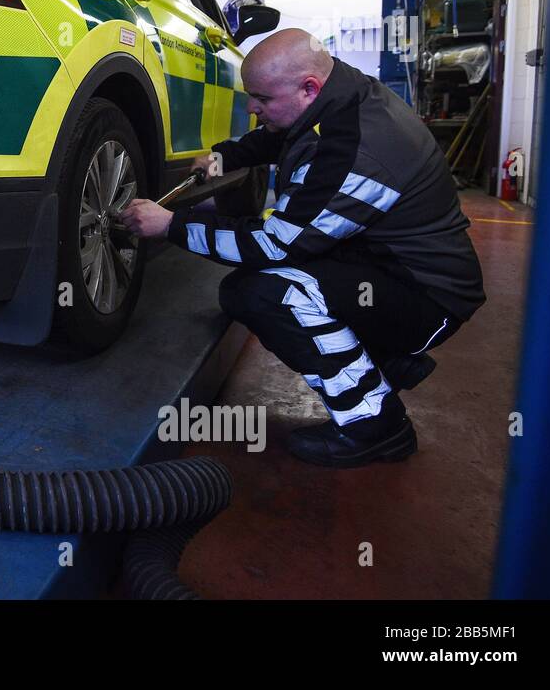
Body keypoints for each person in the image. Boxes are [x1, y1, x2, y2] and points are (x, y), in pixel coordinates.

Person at [119, 28, 485, 468]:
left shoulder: (354, 152)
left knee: (265, 292)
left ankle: (377, 428)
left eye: (260, 98)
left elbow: (272, 245)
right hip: (390, 266)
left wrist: (172, 225)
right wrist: (226, 157)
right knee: (255, 286)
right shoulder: (339, 93)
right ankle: (387, 362)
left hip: (426, 297)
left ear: (308, 88)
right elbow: (283, 131)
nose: (252, 109)